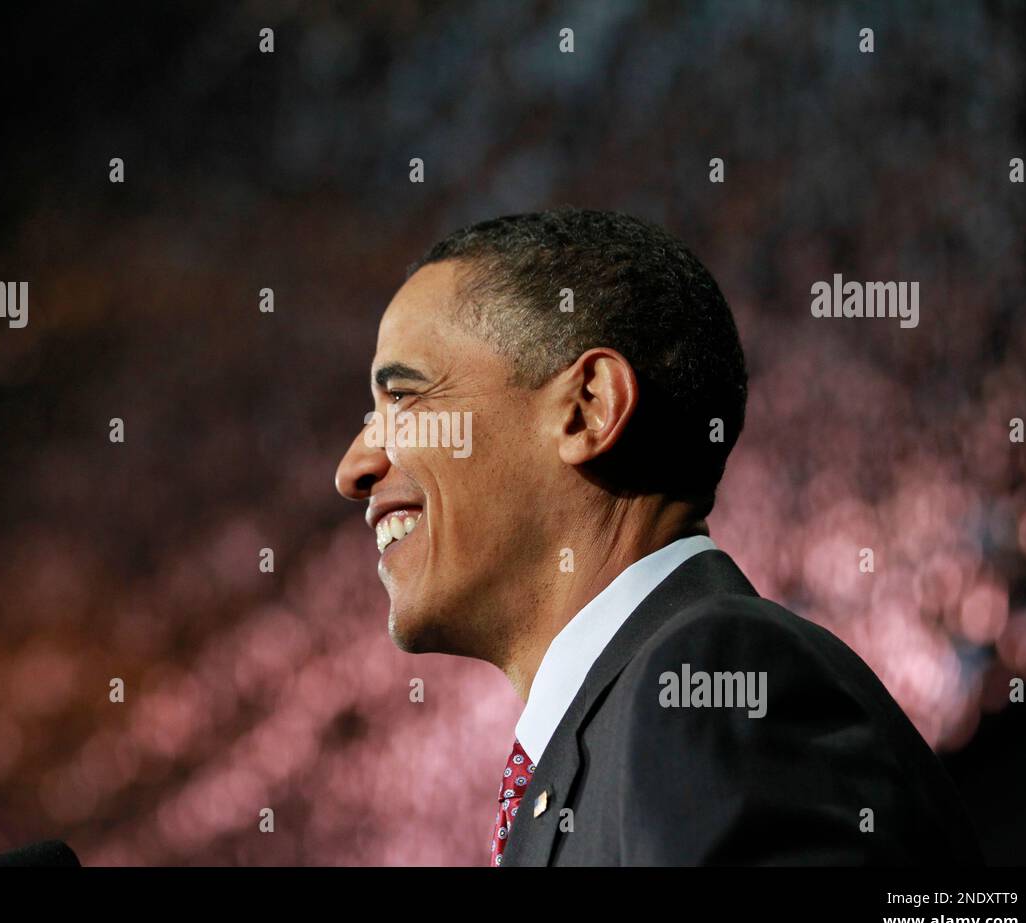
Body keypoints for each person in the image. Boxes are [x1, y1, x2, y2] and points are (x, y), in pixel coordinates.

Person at [333, 208, 983, 866]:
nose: (352, 469)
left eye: (404, 398)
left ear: (588, 409)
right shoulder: (607, 737)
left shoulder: (707, 678)